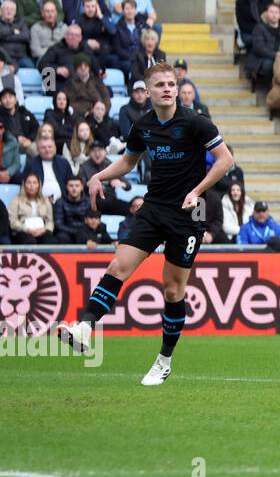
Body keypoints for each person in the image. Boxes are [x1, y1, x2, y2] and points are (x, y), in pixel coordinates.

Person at [57, 63, 235, 386]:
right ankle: (85, 327)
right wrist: (97, 175)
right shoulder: (143, 126)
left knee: (172, 289)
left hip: (186, 214)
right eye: (160, 85)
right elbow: (128, 161)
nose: (168, 89)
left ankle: (164, 360)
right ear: (148, 91)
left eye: (172, 84)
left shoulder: (196, 122)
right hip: (153, 209)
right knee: (117, 267)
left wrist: (197, 191)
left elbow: (226, 160)